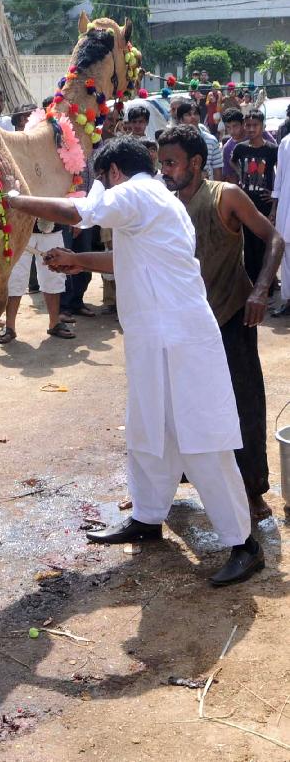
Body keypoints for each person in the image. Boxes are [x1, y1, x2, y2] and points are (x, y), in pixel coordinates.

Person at [13, 135, 261, 586]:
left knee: (202, 440)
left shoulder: (138, 192)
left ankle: (244, 544)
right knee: (150, 431)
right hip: (154, 339)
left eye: (102, 180)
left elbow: (78, 212)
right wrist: (78, 259)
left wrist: (14, 200)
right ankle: (147, 517)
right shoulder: (152, 202)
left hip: (182, 340)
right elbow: (124, 256)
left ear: (114, 173)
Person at [159, 125, 283, 522]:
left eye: (172, 163)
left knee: (243, 404)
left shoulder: (225, 195)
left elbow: (274, 239)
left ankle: (252, 491)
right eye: (162, 163)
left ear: (196, 162)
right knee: (184, 403)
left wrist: (260, 290)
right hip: (189, 322)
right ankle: (172, 483)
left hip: (232, 315)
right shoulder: (167, 205)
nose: (165, 171)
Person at [0, 219, 73, 344]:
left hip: (52, 228)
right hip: (19, 227)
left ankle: (54, 323)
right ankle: (9, 327)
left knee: (53, 276)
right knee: (15, 277)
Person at [231, 110, 278, 286]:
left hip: (264, 202)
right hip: (246, 202)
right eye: (248, 125)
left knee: (265, 243)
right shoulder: (240, 148)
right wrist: (241, 174)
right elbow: (233, 161)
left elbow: (280, 174)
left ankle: (268, 283)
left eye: (255, 125)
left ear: (263, 126)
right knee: (249, 244)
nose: (251, 129)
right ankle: (251, 283)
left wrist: (274, 198)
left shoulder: (272, 150)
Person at [175, 101, 222, 180]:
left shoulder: (211, 140)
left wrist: (217, 187)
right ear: (180, 119)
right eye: (188, 114)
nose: (193, 117)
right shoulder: (175, 141)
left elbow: (217, 168)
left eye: (196, 113)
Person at [273, 131, 290, 315]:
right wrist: (275, 207)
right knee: (287, 258)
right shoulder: (286, 142)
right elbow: (280, 177)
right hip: (287, 208)